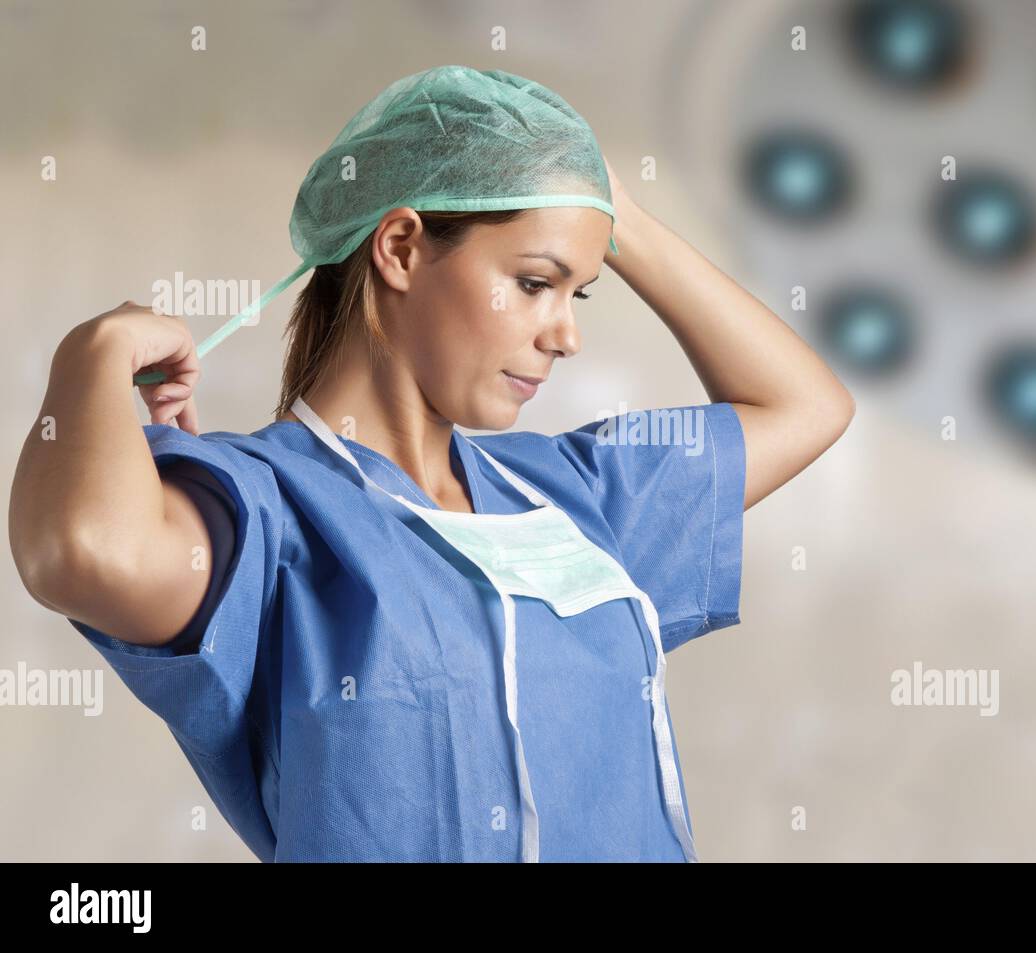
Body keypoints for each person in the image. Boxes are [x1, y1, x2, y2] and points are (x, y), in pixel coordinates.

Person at [9, 65, 854, 862]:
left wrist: (608, 209)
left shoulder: (575, 494)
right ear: (402, 248)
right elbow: (83, 552)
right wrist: (94, 351)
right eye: (536, 283)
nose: (566, 335)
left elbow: (806, 406)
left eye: (580, 292)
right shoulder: (266, 513)